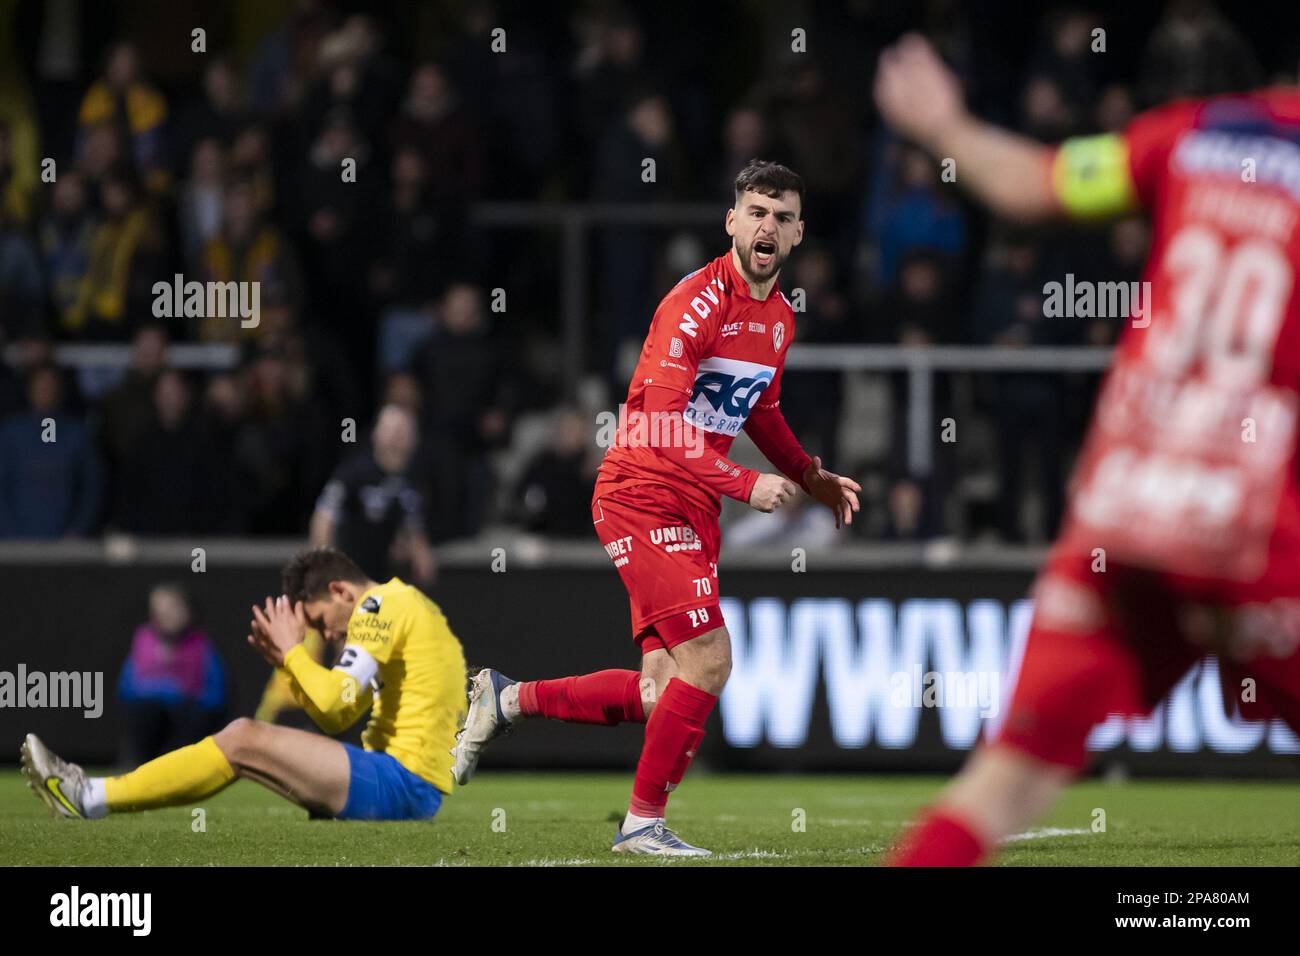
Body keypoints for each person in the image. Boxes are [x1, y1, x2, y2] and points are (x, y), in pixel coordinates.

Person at [872, 34, 1300, 865]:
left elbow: (1035, 185)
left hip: (1127, 508)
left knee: (1003, 787)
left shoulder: (1192, 135)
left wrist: (946, 124)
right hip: (1256, 524)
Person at [452, 160, 861, 856]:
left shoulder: (780, 317)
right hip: (641, 491)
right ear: (732, 221)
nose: (768, 226)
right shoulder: (694, 304)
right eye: (756, 211)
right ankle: (642, 824)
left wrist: (807, 474)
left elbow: (762, 408)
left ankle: (505, 698)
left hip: (693, 504)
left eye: (782, 216)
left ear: (797, 235)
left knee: (659, 693)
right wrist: (747, 484)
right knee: (711, 659)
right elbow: (664, 429)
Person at [21, 548, 467, 822]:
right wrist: (290, 665)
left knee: (243, 737)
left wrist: (292, 653)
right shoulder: (403, 604)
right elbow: (340, 715)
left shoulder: (375, 608)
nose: (328, 636)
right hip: (404, 782)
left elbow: (334, 707)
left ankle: (88, 796)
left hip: (403, 786)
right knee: (244, 748)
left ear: (341, 591)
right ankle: (91, 797)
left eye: (319, 621)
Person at [310, 404, 436, 587]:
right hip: (349, 574)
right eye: (391, 431)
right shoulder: (353, 474)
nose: (396, 439)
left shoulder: (414, 481)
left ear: (414, 439)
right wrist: (323, 563)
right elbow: (323, 517)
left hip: (386, 578)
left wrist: (420, 556)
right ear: (376, 434)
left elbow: (414, 527)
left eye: (403, 432)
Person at [117, 583, 227, 766]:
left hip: (188, 722)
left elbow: (216, 696)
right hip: (149, 724)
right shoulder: (143, 641)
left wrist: (180, 697)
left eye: (173, 607)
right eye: (160, 609)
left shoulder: (201, 646)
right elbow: (126, 690)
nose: (167, 615)